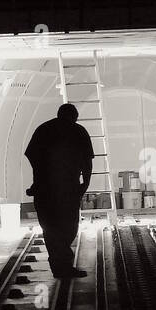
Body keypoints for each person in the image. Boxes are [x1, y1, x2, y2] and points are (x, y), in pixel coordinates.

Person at [25, 102, 93, 279]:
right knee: (68, 227)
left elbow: (31, 155)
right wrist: (84, 185)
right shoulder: (79, 131)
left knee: (50, 228)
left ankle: (58, 267)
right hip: (68, 190)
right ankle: (64, 266)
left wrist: (39, 179)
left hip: (44, 191)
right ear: (74, 117)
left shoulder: (43, 129)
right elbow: (87, 163)